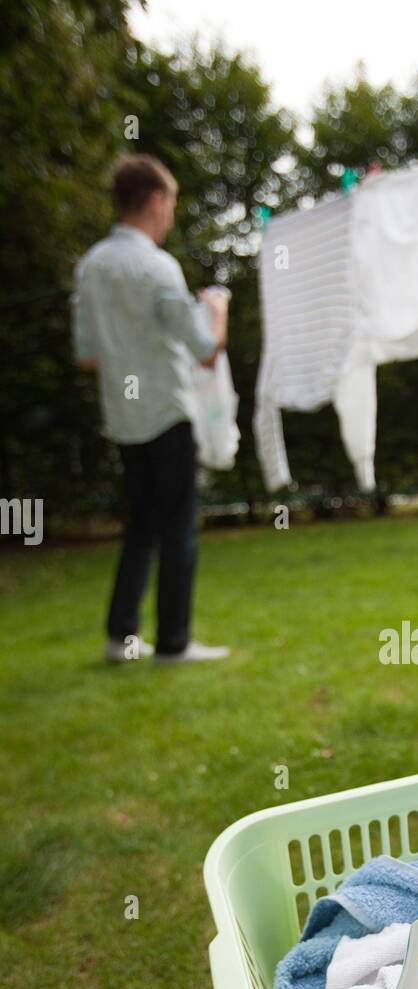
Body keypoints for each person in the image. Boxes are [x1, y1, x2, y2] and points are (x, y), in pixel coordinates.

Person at [71, 154, 230, 664]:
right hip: (166, 413)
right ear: (156, 201)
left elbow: (88, 357)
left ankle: (121, 639)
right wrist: (219, 311)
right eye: (172, 205)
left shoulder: (90, 266)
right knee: (178, 527)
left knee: (140, 527)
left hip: (123, 419)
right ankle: (173, 644)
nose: (171, 217)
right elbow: (206, 348)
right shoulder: (157, 267)